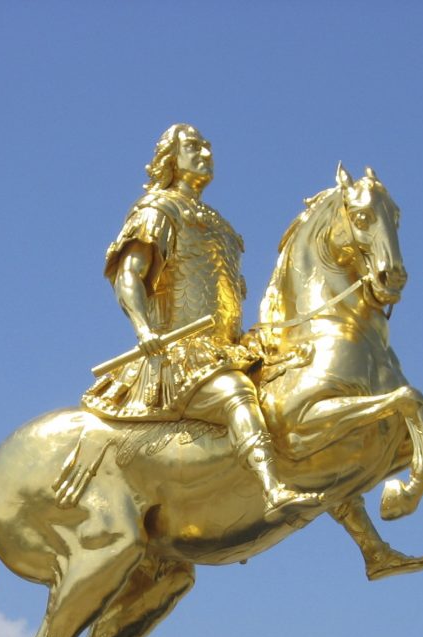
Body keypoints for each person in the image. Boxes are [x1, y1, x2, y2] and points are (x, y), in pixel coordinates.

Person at [84, 124, 320, 520]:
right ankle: (271, 490)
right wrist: (145, 330)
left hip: (229, 348)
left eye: (208, 146)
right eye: (193, 146)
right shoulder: (158, 209)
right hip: (181, 353)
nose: (206, 153)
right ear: (170, 159)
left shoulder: (218, 223)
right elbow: (129, 275)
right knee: (237, 396)